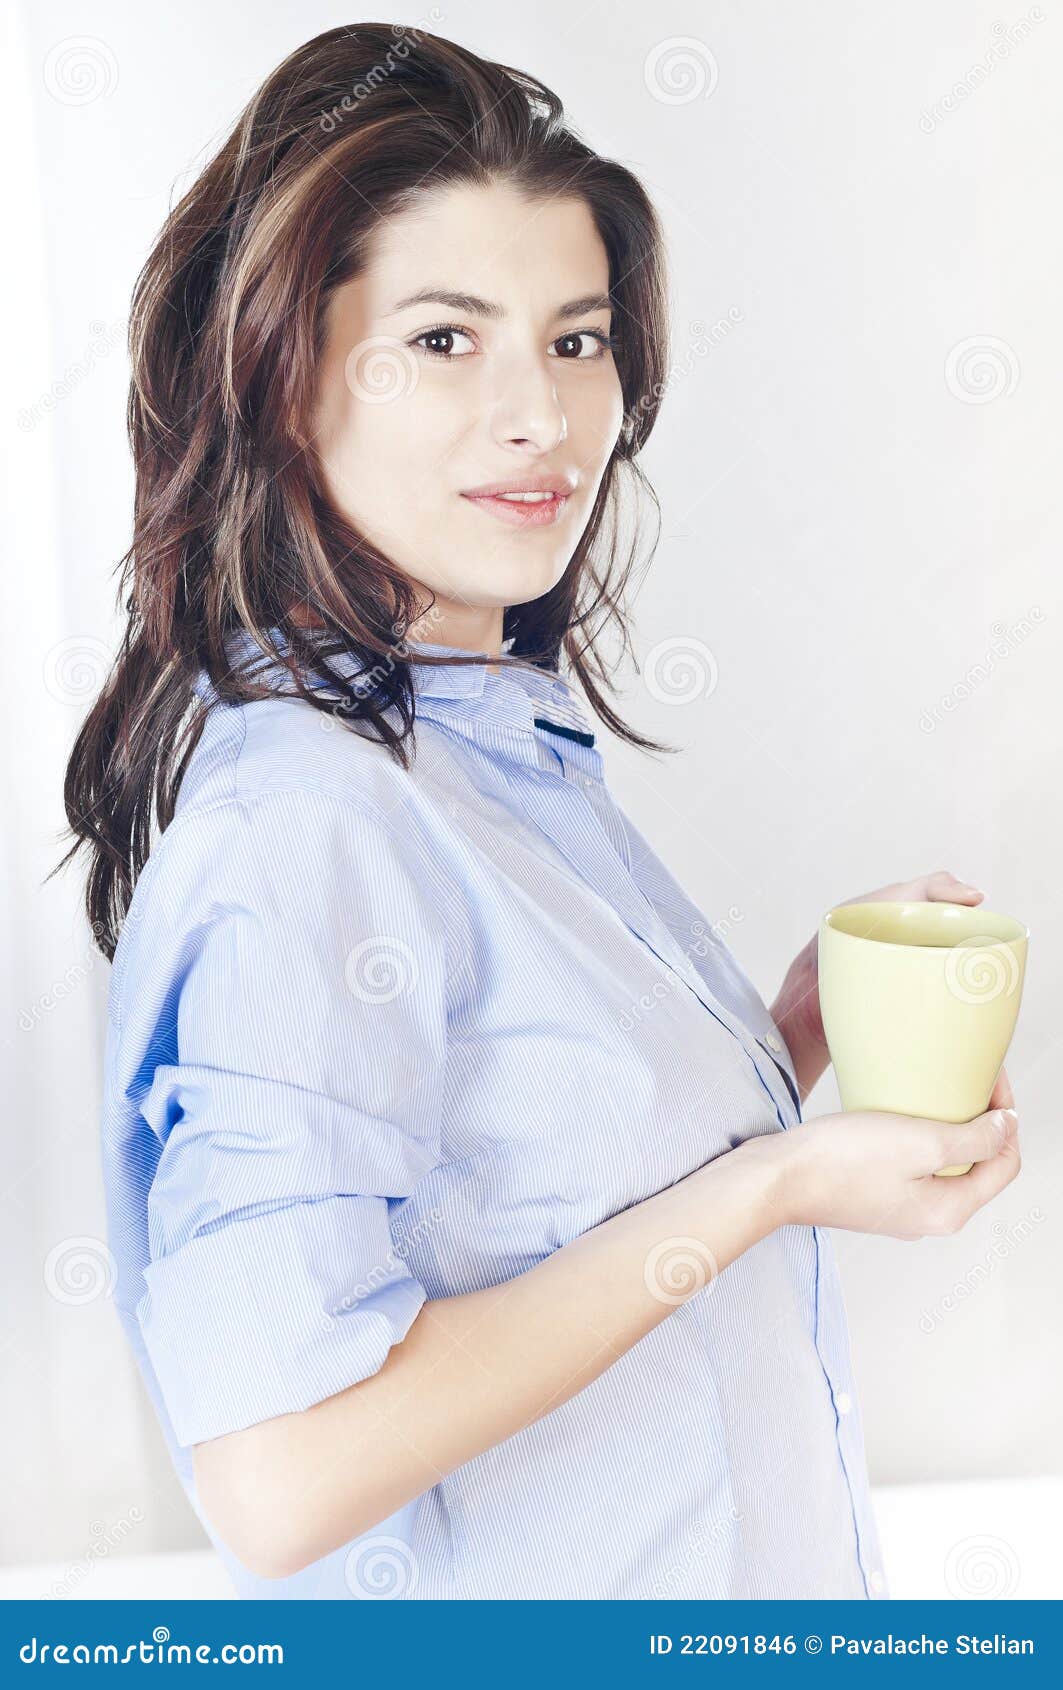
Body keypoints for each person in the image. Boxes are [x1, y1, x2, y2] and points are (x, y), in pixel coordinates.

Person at [57, 25, 1020, 1600]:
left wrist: (768, 1058)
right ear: (287, 377)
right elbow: (283, 1471)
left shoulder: (492, 743)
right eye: (446, 340)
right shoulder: (307, 821)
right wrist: (767, 1182)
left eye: (577, 340)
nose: (545, 416)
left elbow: (500, 1189)